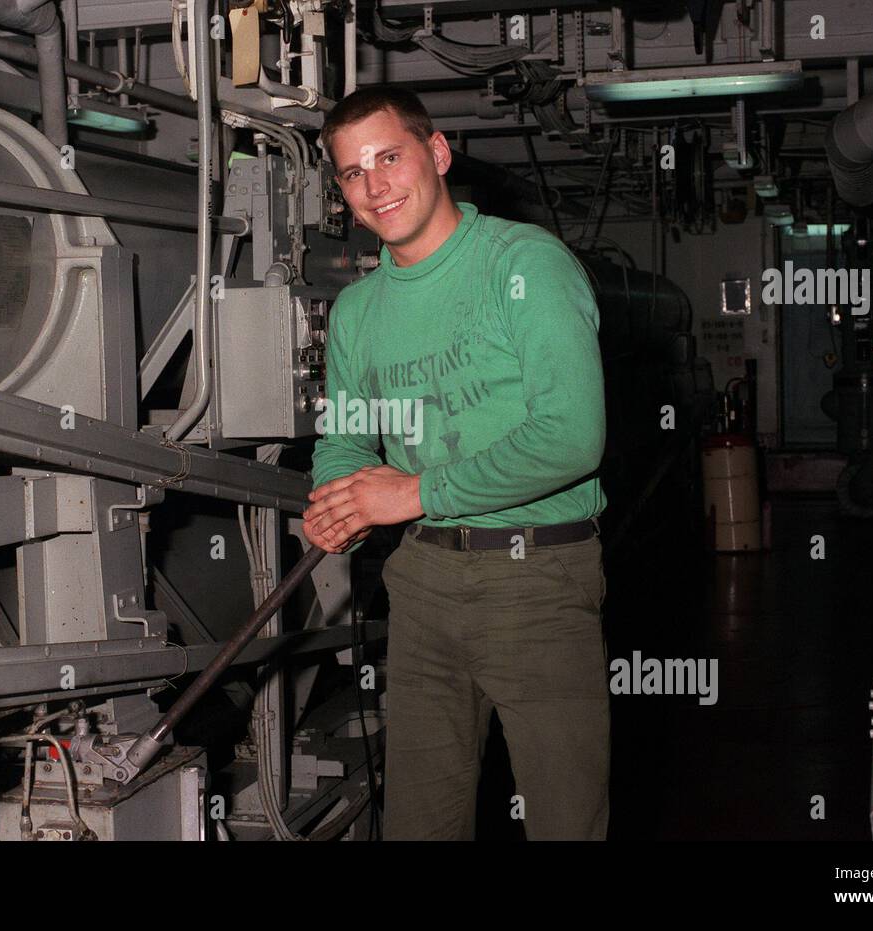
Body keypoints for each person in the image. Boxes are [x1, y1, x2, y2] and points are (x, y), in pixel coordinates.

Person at [302, 86, 609, 841]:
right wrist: (335, 496)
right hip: (425, 585)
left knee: (567, 821)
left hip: (537, 579)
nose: (374, 186)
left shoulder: (525, 264)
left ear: (436, 154)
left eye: (389, 157)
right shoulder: (357, 312)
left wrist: (412, 492)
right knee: (419, 822)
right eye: (351, 172)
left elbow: (571, 436)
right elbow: (345, 435)